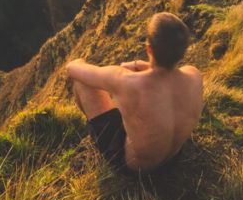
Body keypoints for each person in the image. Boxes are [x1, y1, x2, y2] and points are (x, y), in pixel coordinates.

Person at [66, 12, 203, 174]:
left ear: (149, 48)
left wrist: (80, 61)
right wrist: (138, 65)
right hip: (173, 159)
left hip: (134, 168)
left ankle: (95, 137)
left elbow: (72, 69)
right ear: (182, 50)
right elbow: (166, 75)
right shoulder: (194, 76)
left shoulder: (127, 81)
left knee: (81, 83)